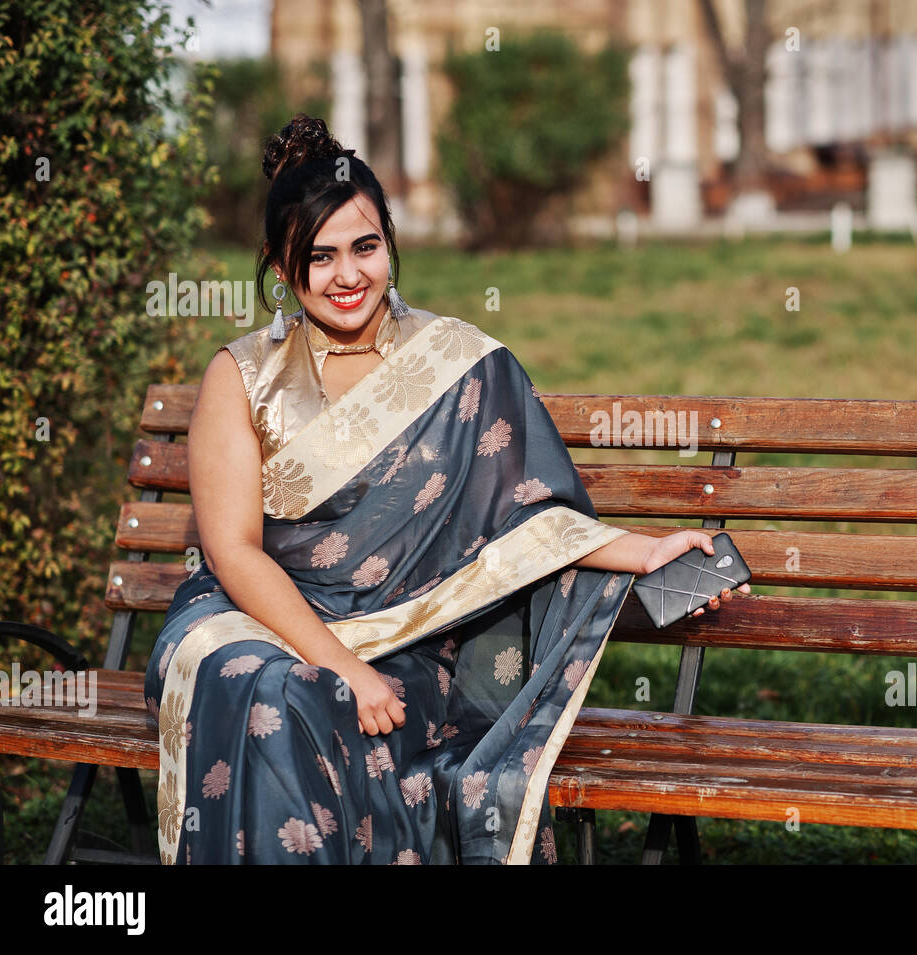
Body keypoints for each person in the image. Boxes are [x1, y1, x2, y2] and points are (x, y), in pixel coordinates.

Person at [143, 114, 751, 865]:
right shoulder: (242, 376)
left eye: (365, 247)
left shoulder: (457, 362)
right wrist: (341, 664)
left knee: (343, 714)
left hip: (408, 641)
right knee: (279, 694)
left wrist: (650, 551)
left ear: (391, 244)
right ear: (280, 267)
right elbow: (233, 551)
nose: (348, 276)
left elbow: (524, 518)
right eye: (320, 256)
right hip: (250, 622)